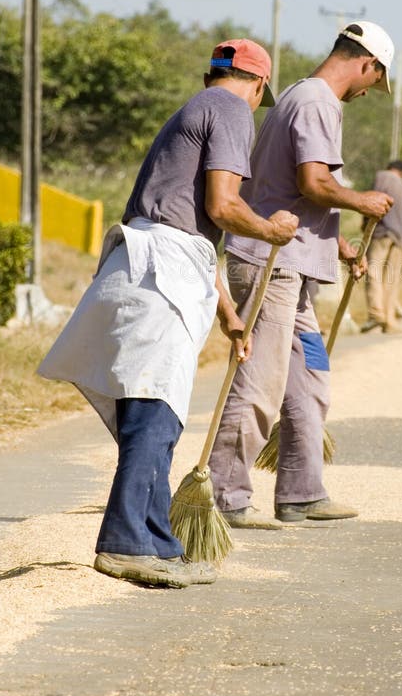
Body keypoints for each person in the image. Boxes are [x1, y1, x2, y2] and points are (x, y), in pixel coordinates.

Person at [38, 39, 298, 588]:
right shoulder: (231, 110)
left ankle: (157, 540)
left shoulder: (194, 109)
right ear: (256, 86)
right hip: (161, 271)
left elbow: (194, 226)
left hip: (146, 266)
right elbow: (222, 208)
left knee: (156, 415)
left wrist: (228, 311)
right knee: (154, 412)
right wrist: (272, 230)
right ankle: (124, 541)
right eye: (259, 95)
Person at [208, 20, 395, 528]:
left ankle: (302, 493)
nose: (366, 92)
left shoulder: (304, 97)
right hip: (271, 266)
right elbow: (314, 183)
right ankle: (225, 495)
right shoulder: (316, 102)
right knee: (260, 382)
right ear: (366, 64)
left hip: (296, 272)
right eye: (373, 82)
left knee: (310, 379)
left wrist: (340, 244)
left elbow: (289, 189)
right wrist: (363, 200)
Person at [361, 159, 402, 333]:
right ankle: (389, 321)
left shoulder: (382, 177)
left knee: (373, 272)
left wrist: (365, 225)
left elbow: (370, 202)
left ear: (390, 168)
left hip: (380, 232)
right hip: (399, 237)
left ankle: (376, 316)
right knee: (391, 279)